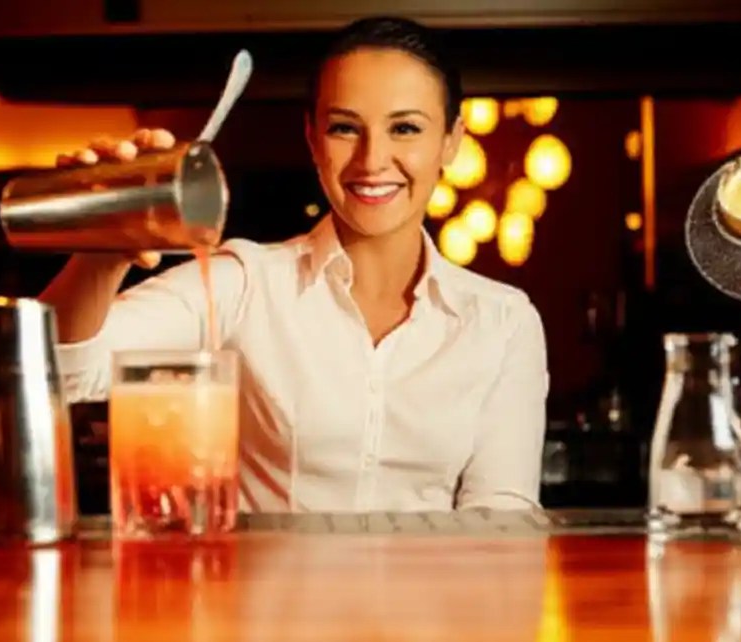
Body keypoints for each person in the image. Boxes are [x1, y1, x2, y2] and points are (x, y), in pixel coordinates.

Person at [39, 16, 549, 512]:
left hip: (432, 600)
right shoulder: (241, 284)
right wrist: (100, 252)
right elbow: (63, 370)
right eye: (345, 128)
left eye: (406, 128)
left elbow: (502, 515)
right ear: (312, 138)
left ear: (451, 141)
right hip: (259, 600)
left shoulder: (502, 322)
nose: (372, 160)